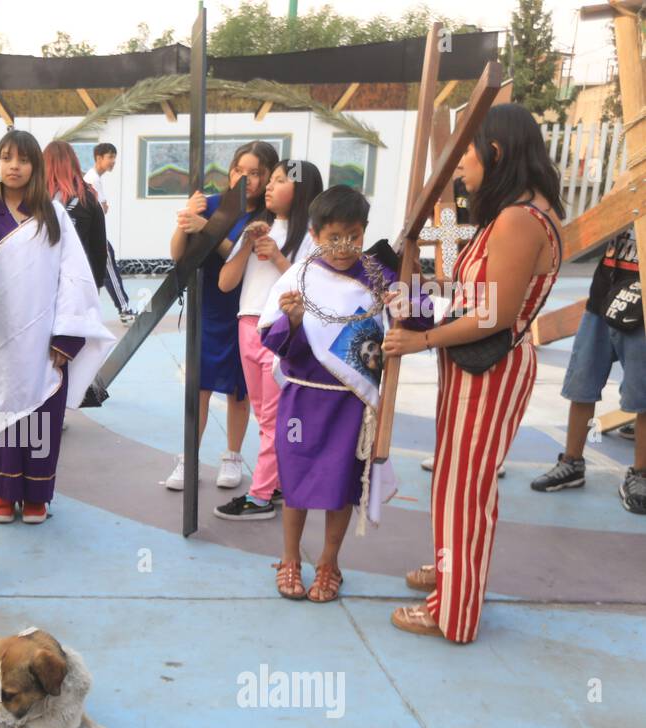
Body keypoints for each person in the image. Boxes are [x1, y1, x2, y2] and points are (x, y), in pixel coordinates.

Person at [385, 103, 564, 642]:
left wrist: (423, 339)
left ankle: (453, 612)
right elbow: (476, 295)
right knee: (459, 484)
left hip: (489, 368)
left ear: (496, 151)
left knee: (463, 489)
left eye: (467, 150)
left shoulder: (517, 219)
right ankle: (452, 572)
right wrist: (412, 288)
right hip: (478, 367)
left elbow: (494, 314)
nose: (460, 163)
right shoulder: (517, 210)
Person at [262, 186, 431, 601]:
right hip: (303, 398)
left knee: (342, 485)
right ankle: (289, 559)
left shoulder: (379, 275)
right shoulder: (298, 276)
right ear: (316, 234)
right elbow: (271, 336)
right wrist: (296, 321)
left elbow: (422, 314)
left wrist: (407, 295)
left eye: (353, 236)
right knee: (295, 482)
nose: (344, 246)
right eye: (334, 236)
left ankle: (329, 563)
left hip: (351, 405)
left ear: (364, 232)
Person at [0, 130, 114, 524]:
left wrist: (68, 335)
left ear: (36, 166)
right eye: (5, 157)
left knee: (44, 415)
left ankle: (38, 495)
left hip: (47, 335)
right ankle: (5, 491)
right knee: (7, 411)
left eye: (22, 159)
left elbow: (75, 277)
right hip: (1, 334)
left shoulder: (53, 215)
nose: (13, 165)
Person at [164, 140, 278, 494]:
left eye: (256, 173)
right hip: (207, 306)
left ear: (267, 177)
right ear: (230, 171)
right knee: (199, 384)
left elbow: (241, 261)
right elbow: (177, 254)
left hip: (245, 308)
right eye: (239, 170)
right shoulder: (212, 205)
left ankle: (232, 455)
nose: (246, 179)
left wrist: (208, 229)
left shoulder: (266, 218)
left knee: (239, 389)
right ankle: (189, 457)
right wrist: (187, 220)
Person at [216, 158, 325, 520]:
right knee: (265, 416)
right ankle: (273, 483)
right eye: (272, 179)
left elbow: (312, 289)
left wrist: (277, 256)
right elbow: (225, 282)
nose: (269, 186)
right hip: (247, 326)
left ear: (303, 190)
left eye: (280, 180)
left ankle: (260, 495)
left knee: (275, 417)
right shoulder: (256, 228)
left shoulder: (311, 236)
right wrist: (248, 244)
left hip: (279, 333)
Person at [529, 227, 644, 514]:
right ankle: (572, 462)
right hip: (603, 299)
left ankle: (640, 474)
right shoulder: (628, 188)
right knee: (582, 382)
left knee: (642, 396)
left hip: (641, 309)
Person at [44, 141, 108, 292]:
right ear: (74, 163)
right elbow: (99, 247)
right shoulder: (88, 197)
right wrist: (96, 284)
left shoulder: (35, 198)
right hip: (80, 281)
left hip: (44, 281)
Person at [82, 142, 133, 322]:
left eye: (114, 157)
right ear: (98, 158)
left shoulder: (92, 178)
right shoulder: (93, 179)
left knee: (99, 273)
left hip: (90, 235)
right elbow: (101, 209)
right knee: (110, 270)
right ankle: (125, 310)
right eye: (110, 157)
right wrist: (103, 207)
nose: (113, 161)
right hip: (95, 235)